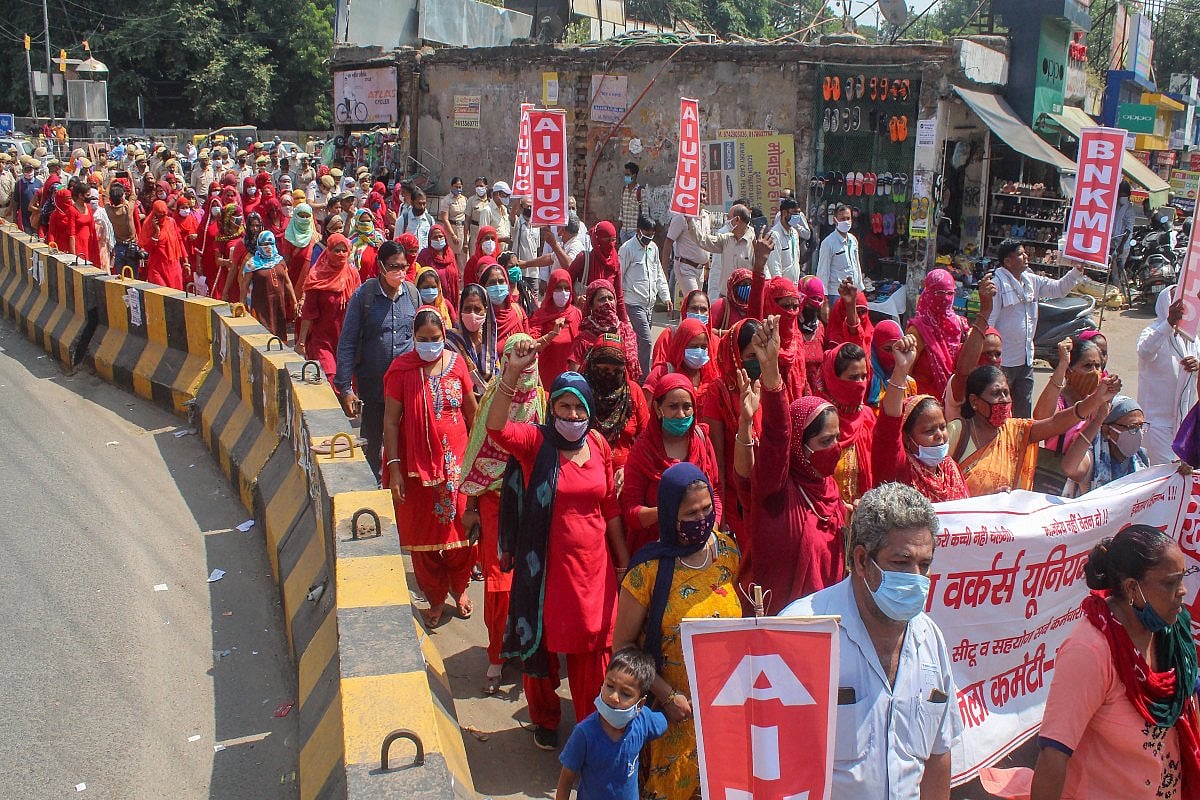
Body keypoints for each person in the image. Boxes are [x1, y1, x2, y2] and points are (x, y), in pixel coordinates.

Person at [780, 482, 962, 799]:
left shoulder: (930, 639)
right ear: (862, 560)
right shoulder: (802, 632)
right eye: (901, 563)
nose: (916, 578)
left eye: (924, 565)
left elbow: (937, 755)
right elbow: (771, 759)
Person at [486, 354, 630, 751]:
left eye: (579, 407)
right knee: (542, 644)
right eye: (564, 406)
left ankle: (590, 730)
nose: (572, 415)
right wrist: (511, 374)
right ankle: (545, 719)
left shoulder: (598, 444)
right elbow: (496, 428)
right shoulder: (537, 443)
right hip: (546, 570)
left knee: (594, 646)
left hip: (594, 569)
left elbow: (610, 508)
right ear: (552, 410)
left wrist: (622, 562)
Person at [1031, 525, 1200, 800]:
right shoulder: (1089, 651)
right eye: (1170, 583)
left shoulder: (1173, 630)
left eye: (1182, 579)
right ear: (1133, 588)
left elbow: (1189, 701)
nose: (1182, 591)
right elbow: (1053, 755)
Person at [611, 463, 739, 800]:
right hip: (671, 718)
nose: (702, 519)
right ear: (670, 515)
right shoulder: (647, 572)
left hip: (724, 713)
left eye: (707, 509)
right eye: (691, 513)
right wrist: (667, 696)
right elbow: (622, 647)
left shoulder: (727, 553)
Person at [382, 307, 479, 628]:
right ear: (413, 338)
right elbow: (391, 422)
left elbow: (473, 415)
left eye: (435, 338)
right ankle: (435, 598)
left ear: (443, 336)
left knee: (463, 533)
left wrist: (480, 465)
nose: (429, 344)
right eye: (422, 339)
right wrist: (395, 469)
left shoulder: (457, 365)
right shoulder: (401, 370)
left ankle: (460, 588)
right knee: (423, 539)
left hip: (456, 468)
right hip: (416, 472)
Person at [742, 316, 846, 610]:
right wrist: (771, 371)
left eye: (836, 438)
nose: (835, 448)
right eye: (825, 441)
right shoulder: (775, 490)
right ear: (800, 446)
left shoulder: (829, 491)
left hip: (827, 619)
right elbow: (778, 433)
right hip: (781, 623)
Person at [461, 335, 546, 694]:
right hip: (495, 502)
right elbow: (477, 451)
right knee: (499, 587)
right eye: (517, 357)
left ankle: (527, 649)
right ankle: (496, 655)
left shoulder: (542, 400)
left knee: (534, 582)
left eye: (530, 358)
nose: (524, 366)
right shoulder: (493, 399)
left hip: (533, 504)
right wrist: (470, 507)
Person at [950, 364, 1120, 495]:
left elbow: (1055, 423)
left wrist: (1096, 399)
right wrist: (985, 501)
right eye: (996, 394)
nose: (1004, 400)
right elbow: (939, 486)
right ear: (974, 401)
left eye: (1006, 393)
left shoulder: (1016, 431)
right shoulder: (957, 432)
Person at [335, 240, 420, 480]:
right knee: (372, 445)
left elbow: (419, 338)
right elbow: (348, 342)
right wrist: (345, 388)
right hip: (373, 387)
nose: (399, 272)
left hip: (406, 389)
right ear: (381, 266)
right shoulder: (364, 297)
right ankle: (373, 489)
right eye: (394, 266)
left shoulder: (412, 295)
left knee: (404, 445)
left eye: (403, 266)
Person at [621, 373, 722, 556]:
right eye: (673, 406)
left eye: (687, 407)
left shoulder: (701, 441)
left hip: (700, 552)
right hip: (657, 553)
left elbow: (715, 492)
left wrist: (710, 533)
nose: (681, 414)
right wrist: (669, 511)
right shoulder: (643, 451)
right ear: (658, 408)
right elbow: (631, 512)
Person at [988, 239, 1087, 418]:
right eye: (1020, 254)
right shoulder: (997, 285)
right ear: (1008, 262)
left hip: (1025, 359)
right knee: (1000, 411)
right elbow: (990, 323)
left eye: (1025, 252)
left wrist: (1076, 271)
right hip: (1003, 362)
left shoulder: (1031, 280)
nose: (1026, 256)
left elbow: (1058, 289)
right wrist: (990, 358)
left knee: (1023, 412)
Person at [555, 647, 668, 800]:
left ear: (640, 704)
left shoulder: (643, 720)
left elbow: (664, 721)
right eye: (610, 686)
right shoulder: (584, 733)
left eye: (625, 693)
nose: (614, 697)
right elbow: (566, 778)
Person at [873, 338, 969, 502]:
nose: (939, 435)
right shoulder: (900, 469)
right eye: (929, 430)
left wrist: (994, 499)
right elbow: (889, 424)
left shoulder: (950, 468)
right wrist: (901, 369)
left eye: (942, 427)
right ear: (906, 438)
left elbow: (968, 509)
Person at [701, 319, 761, 536]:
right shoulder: (718, 392)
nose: (758, 362)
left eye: (761, 354)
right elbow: (717, 460)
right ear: (736, 355)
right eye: (751, 356)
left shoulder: (767, 385)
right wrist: (721, 515)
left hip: (764, 495)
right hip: (734, 500)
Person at [1138, 288, 1200, 465]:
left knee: (1183, 472)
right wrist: (1168, 323)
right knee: (1165, 471)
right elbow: (1145, 351)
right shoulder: (1152, 331)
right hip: (1156, 423)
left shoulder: (1191, 338)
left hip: (1183, 421)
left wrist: (1197, 365)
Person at [581, 334, 649, 494]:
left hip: (625, 480)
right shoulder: (581, 392)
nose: (610, 375)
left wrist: (629, 467)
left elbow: (646, 439)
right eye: (604, 370)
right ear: (592, 364)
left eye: (616, 370)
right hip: (585, 477)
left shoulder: (632, 393)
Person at [814, 342, 876, 505]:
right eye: (853, 378)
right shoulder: (815, 420)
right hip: (827, 511)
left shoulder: (867, 417)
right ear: (833, 379)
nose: (861, 384)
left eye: (864, 376)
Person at [296, 234, 359, 383]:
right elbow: (308, 313)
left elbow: (359, 308)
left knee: (347, 383)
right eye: (336, 250)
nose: (341, 254)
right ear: (328, 251)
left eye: (344, 251)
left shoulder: (352, 275)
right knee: (330, 378)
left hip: (346, 340)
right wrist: (301, 342)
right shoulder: (317, 277)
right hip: (322, 340)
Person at [1061, 394, 1151, 498]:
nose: (1139, 432)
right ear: (1107, 430)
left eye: (1141, 426)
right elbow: (1070, 469)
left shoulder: (1141, 459)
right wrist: (1097, 421)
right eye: (1132, 427)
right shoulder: (1094, 458)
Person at [906, 268, 969, 400]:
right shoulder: (918, 330)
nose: (945, 298)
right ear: (928, 293)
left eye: (950, 293)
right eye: (939, 293)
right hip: (924, 402)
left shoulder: (960, 325)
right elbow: (906, 373)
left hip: (953, 400)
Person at [619, 216, 669, 378]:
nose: (649, 236)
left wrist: (666, 296)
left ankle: (632, 371)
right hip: (633, 302)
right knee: (647, 340)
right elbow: (619, 276)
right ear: (638, 231)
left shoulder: (653, 248)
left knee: (639, 342)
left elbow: (658, 273)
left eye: (652, 233)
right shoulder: (627, 249)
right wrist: (619, 303)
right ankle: (644, 378)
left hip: (649, 305)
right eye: (646, 233)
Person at [569, 279, 642, 382]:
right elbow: (575, 377)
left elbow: (634, 371)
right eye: (602, 299)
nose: (607, 303)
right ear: (591, 305)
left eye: (610, 298)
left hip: (625, 390)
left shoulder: (627, 332)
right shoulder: (583, 339)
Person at [527, 268, 582, 389]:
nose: (563, 292)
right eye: (558, 288)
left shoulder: (576, 313)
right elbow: (532, 346)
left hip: (571, 379)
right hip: (547, 379)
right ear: (551, 289)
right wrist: (552, 334)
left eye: (567, 288)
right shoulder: (540, 316)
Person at [643, 316, 719, 401]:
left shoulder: (709, 375)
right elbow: (645, 407)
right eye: (694, 346)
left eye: (704, 347)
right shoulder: (661, 373)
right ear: (680, 346)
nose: (699, 351)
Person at [689, 204, 755, 303]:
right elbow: (703, 240)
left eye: (729, 218)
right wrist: (690, 222)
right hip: (726, 299)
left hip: (746, 300)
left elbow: (762, 271)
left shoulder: (754, 242)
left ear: (737, 220)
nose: (727, 222)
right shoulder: (726, 239)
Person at [445, 283, 499, 400]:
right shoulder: (450, 343)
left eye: (477, 309)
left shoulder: (489, 344)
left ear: (485, 310)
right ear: (461, 310)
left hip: (490, 403)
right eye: (467, 309)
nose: (472, 314)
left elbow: (496, 374)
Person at [240, 231, 297, 339]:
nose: (268, 247)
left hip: (278, 305)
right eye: (264, 244)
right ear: (259, 245)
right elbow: (244, 286)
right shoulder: (252, 264)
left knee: (279, 334)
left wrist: (294, 301)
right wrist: (242, 304)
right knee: (263, 336)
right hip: (261, 307)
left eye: (271, 243)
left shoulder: (280, 261)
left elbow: (287, 282)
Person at [662, 185, 714, 299]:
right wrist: (664, 270)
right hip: (686, 267)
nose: (702, 199)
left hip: (701, 269)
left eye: (704, 195)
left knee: (693, 304)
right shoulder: (681, 217)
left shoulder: (706, 216)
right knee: (695, 300)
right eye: (699, 195)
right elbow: (668, 242)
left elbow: (706, 242)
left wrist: (707, 267)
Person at [568, 221, 626, 306]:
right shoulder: (584, 258)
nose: (611, 244)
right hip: (585, 311)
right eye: (607, 240)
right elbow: (566, 282)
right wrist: (576, 298)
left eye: (613, 240)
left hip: (608, 312)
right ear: (597, 241)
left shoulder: (615, 262)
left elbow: (619, 296)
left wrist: (622, 315)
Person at [816, 204, 864, 305]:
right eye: (842, 219)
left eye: (848, 218)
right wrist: (824, 299)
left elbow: (857, 265)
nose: (846, 222)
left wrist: (860, 289)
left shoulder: (853, 240)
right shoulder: (828, 243)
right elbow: (823, 272)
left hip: (853, 292)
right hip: (836, 294)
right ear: (835, 220)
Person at [139, 199, 187, 290]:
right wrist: (156, 232)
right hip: (157, 268)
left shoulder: (171, 222)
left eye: (164, 215)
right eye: (159, 216)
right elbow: (148, 249)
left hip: (173, 266)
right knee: (162, 293)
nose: (162, 218)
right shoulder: (148, 225)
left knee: (176, 295)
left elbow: (179, 241)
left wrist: (186, 262)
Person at [479, 262, 529, 349]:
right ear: (483, 287)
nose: (498, 286)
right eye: (492, 283)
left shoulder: (518, 312)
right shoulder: (480, 318)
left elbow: (528, 343)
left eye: (501, 281)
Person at [866, 320, 914, 408]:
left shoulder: (909, 384)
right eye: (888, 349)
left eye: (899, 349)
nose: (893, 356)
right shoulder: (867, 380)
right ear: (874, 349)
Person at [415, 224, 461, 313]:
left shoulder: (449, 253)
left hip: (451, 299)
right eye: (435, 237)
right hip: (433, 300)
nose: (438, 239)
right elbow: (419, 279)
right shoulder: (424, 255)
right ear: (430, 239)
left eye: (440, 236)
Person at [766, 196, 811, 283]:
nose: (797, 216)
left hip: (794, 284)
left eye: (798, 213)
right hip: (782, 286)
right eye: (794, 213)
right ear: (784, 213)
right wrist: (779, 285)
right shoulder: (774, 235)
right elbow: (774, 266)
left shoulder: (794, 233)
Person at [437, 176, 467, 263]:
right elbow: (445, 219)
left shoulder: (464, 199)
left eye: (460, 187)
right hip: (452, 229)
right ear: (451, 187)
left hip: (462, 229)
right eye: (456, 187)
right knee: (451, 255)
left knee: (462, 257)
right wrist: (453, 235)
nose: (458, 189)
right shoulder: (446, 200)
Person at [348, 208, 383, 280]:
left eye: (368, 221)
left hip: (377, 280)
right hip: (358, 280)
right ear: (357, 222)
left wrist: (382, 248)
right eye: (362, 221)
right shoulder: (351, 241)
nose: (366, 224)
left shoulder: (379, 238)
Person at [617, 161, 644, 243]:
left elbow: (645, 214)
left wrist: (640, 229)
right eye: (625, 175)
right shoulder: (624, 190)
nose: (626, 177)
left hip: (634, 231)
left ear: (634, 175)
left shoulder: (640, 191)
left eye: (628, 175)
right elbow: (621, 210)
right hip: (624, 231)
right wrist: (619, 229)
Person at [479, 181, 512, 246]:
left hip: (504, 249)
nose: (507, 197)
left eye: (508, 195)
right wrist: (502, 239)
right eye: (505, 195)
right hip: (492, 249)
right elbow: (483, 236)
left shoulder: (504, 209)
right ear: (497, 194)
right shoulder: (487, 211)